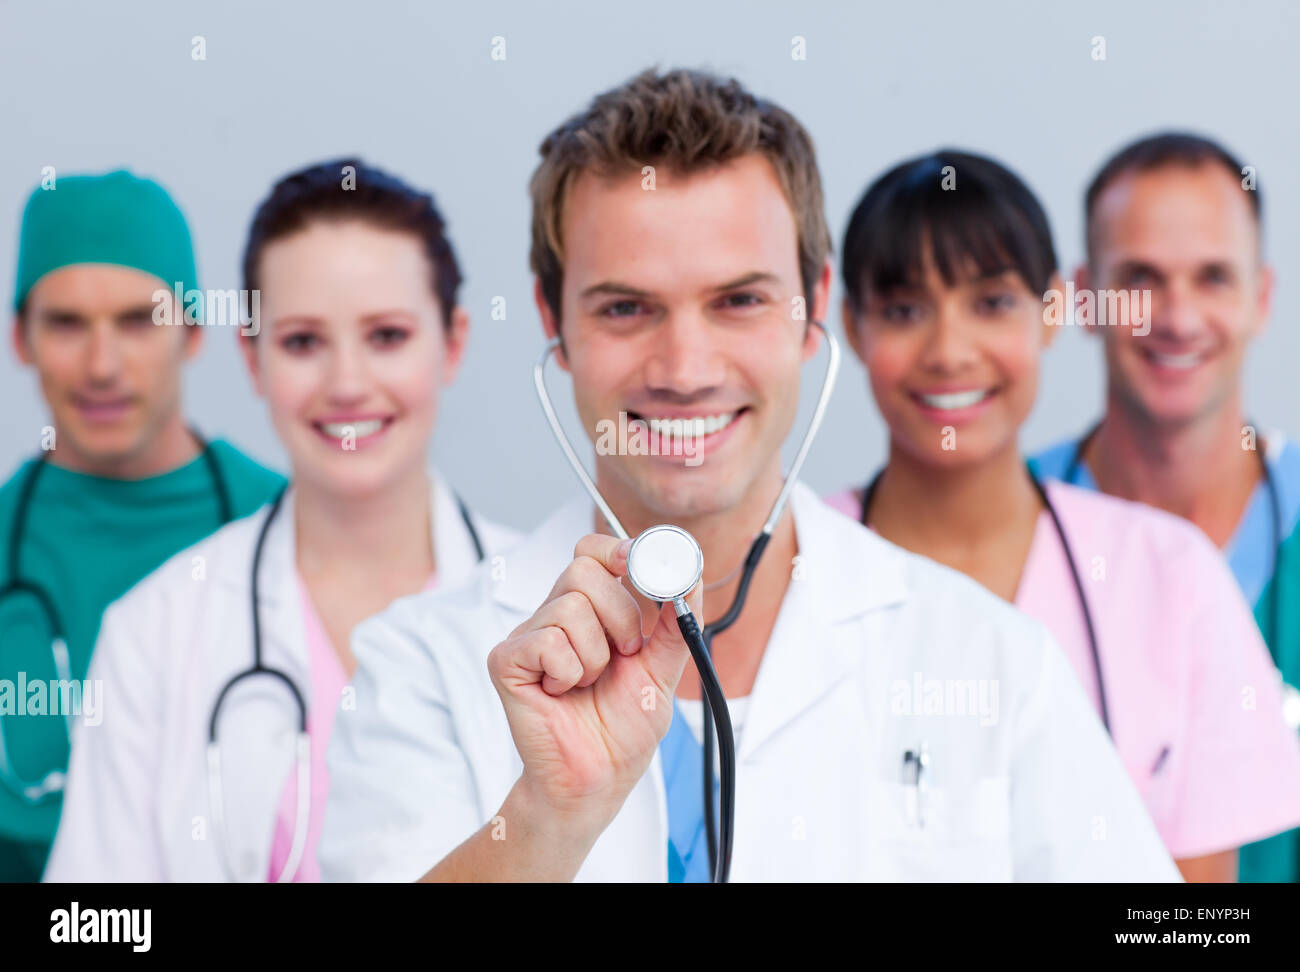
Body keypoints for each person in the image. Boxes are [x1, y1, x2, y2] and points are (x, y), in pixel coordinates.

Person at [319, 69, 1177, 882]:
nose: (686, 367)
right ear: (553, 320)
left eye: (738, 301)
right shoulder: (424, 667)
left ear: (812, 307)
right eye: (626, 307)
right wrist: (549, 816)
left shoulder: (989, 657)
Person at [824, 148, 1300, 882]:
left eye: (991, 302)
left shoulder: (1171, 574)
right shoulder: (790, 569)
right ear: (851, 327)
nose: (949, 351)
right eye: (904, 309)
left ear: (1053, 311)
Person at [42, 160, 517, 882]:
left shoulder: (544, 612)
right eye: (302, 342)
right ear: (253, 358)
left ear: (451, 343)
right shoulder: (155, 632)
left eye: (387, 335)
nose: (348, 384)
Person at [0, 170, 284, 881]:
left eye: (138, 321)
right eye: (66, 324)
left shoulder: (293, 530)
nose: (102, 366)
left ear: (192, 332)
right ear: (21, 339)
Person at [1031, 133, 1300, 881]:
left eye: (1213, 277)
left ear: (1261, 299)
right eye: (1141, 279)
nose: (1177, 318)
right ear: (1083, 299)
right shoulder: (998, 528)